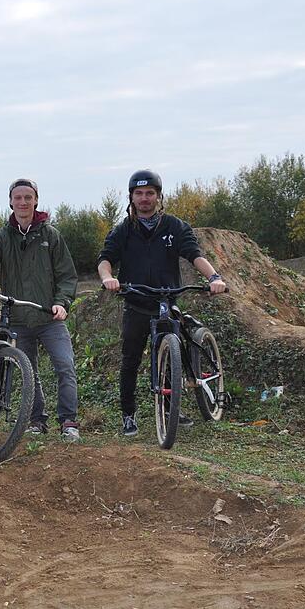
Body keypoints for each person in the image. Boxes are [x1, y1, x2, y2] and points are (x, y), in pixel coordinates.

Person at [97, 169, 227, 436]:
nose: (144, 198)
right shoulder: (123, 230)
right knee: (130, 361)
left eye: (150, 193)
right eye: (139, 193)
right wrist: (108, 277)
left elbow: (194, 255)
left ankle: (170, 409)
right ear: (131, 197)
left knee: (171, 354)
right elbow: (105, 258)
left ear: (159, 196)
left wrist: (214, 276)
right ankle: (128, 415)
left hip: (166, 300)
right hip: (136, 303)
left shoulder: (175, 227)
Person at [0, 178, 81, 440]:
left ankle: (69, 421)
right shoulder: (3, 236)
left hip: (49, 317)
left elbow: (67, 276)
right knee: (30, 373)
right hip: (17, 318)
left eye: (28, 197)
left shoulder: (51, 236)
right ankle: (37, 421)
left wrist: (62, 302)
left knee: (65, 365)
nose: (23, 202)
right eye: (18, 198)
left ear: (36, 200)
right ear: (11, 201)